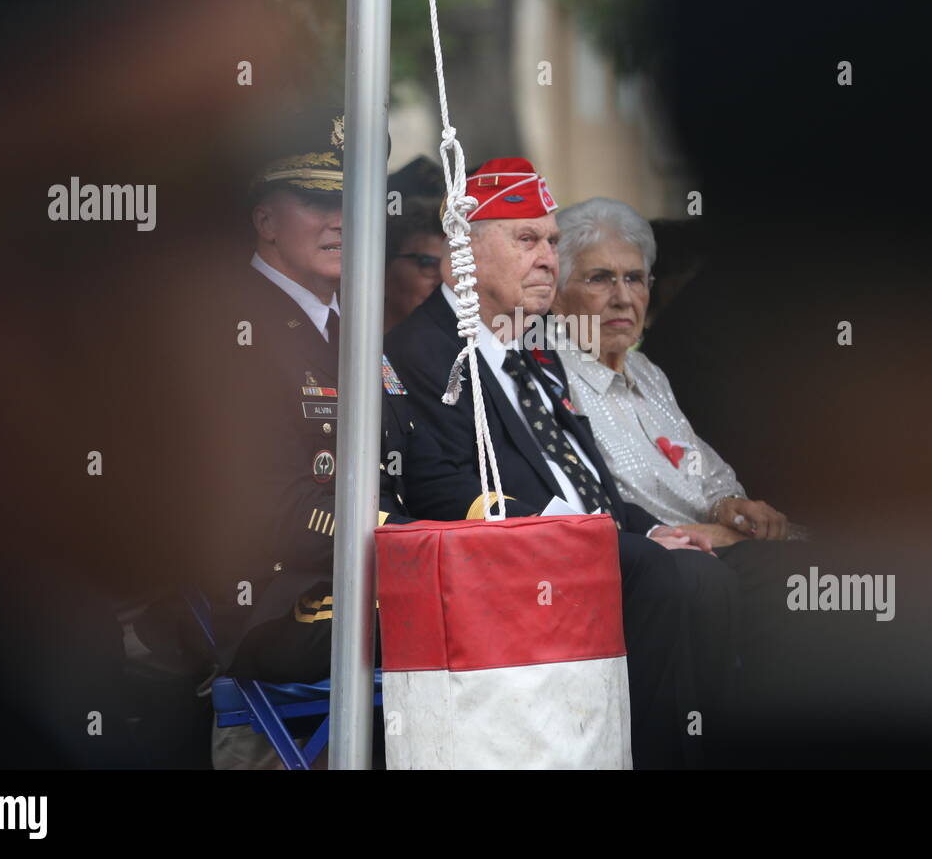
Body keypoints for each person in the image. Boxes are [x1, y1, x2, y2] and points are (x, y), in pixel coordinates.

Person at [385, 158, 741, 768]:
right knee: (677, 579)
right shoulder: (420, 349)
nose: (549, 258)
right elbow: (439, 488)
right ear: (463, 250)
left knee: (742, 569)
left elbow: (586, 479)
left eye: (551, 241)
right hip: (513, 564)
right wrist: (602, 539)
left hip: (585, 546)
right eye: (527, 240)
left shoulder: (536, 348)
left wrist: (653, 528)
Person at [203, 113, 428, 766]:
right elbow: (261, 510)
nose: (341, 220)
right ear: (265, 219)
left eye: (352, 202)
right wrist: (402, 536)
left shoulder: (352, 326)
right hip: (269, 601)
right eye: (318, 201)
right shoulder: (229, 328)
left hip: (370, 570)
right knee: (471, 616)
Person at [552, 197, 793, 542]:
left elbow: (707, 472)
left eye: (634, 278)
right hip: (660, 569)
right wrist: (708, 534)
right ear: (556, 296)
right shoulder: (549, 378)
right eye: (600, 279)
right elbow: (591, 517)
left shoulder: (646, 370)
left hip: (723, 553)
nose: (623, 297)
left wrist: (727, 506)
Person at [383, 195, 445, 331]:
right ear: (384, 268)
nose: (444, 282)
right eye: (428, 263)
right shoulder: (341, 341)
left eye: (454, 269)